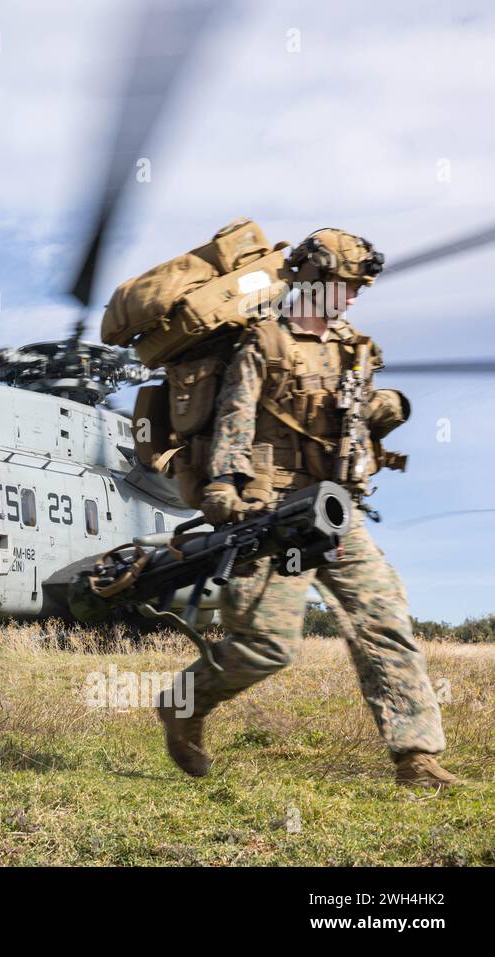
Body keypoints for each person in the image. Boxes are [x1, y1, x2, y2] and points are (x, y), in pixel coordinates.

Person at [157, 228, 455, 787]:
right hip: (269, 512)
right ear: (313, 278)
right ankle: (185, 704)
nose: (350, 296)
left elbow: (356, 414)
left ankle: (416, 758)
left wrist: (384, 408)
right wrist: (223, 483)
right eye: (344, 284)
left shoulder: (354, 348)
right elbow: (234, 418)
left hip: (337, 509)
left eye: (356, 288)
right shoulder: (263, 342)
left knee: (384, 622)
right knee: (266, 647)